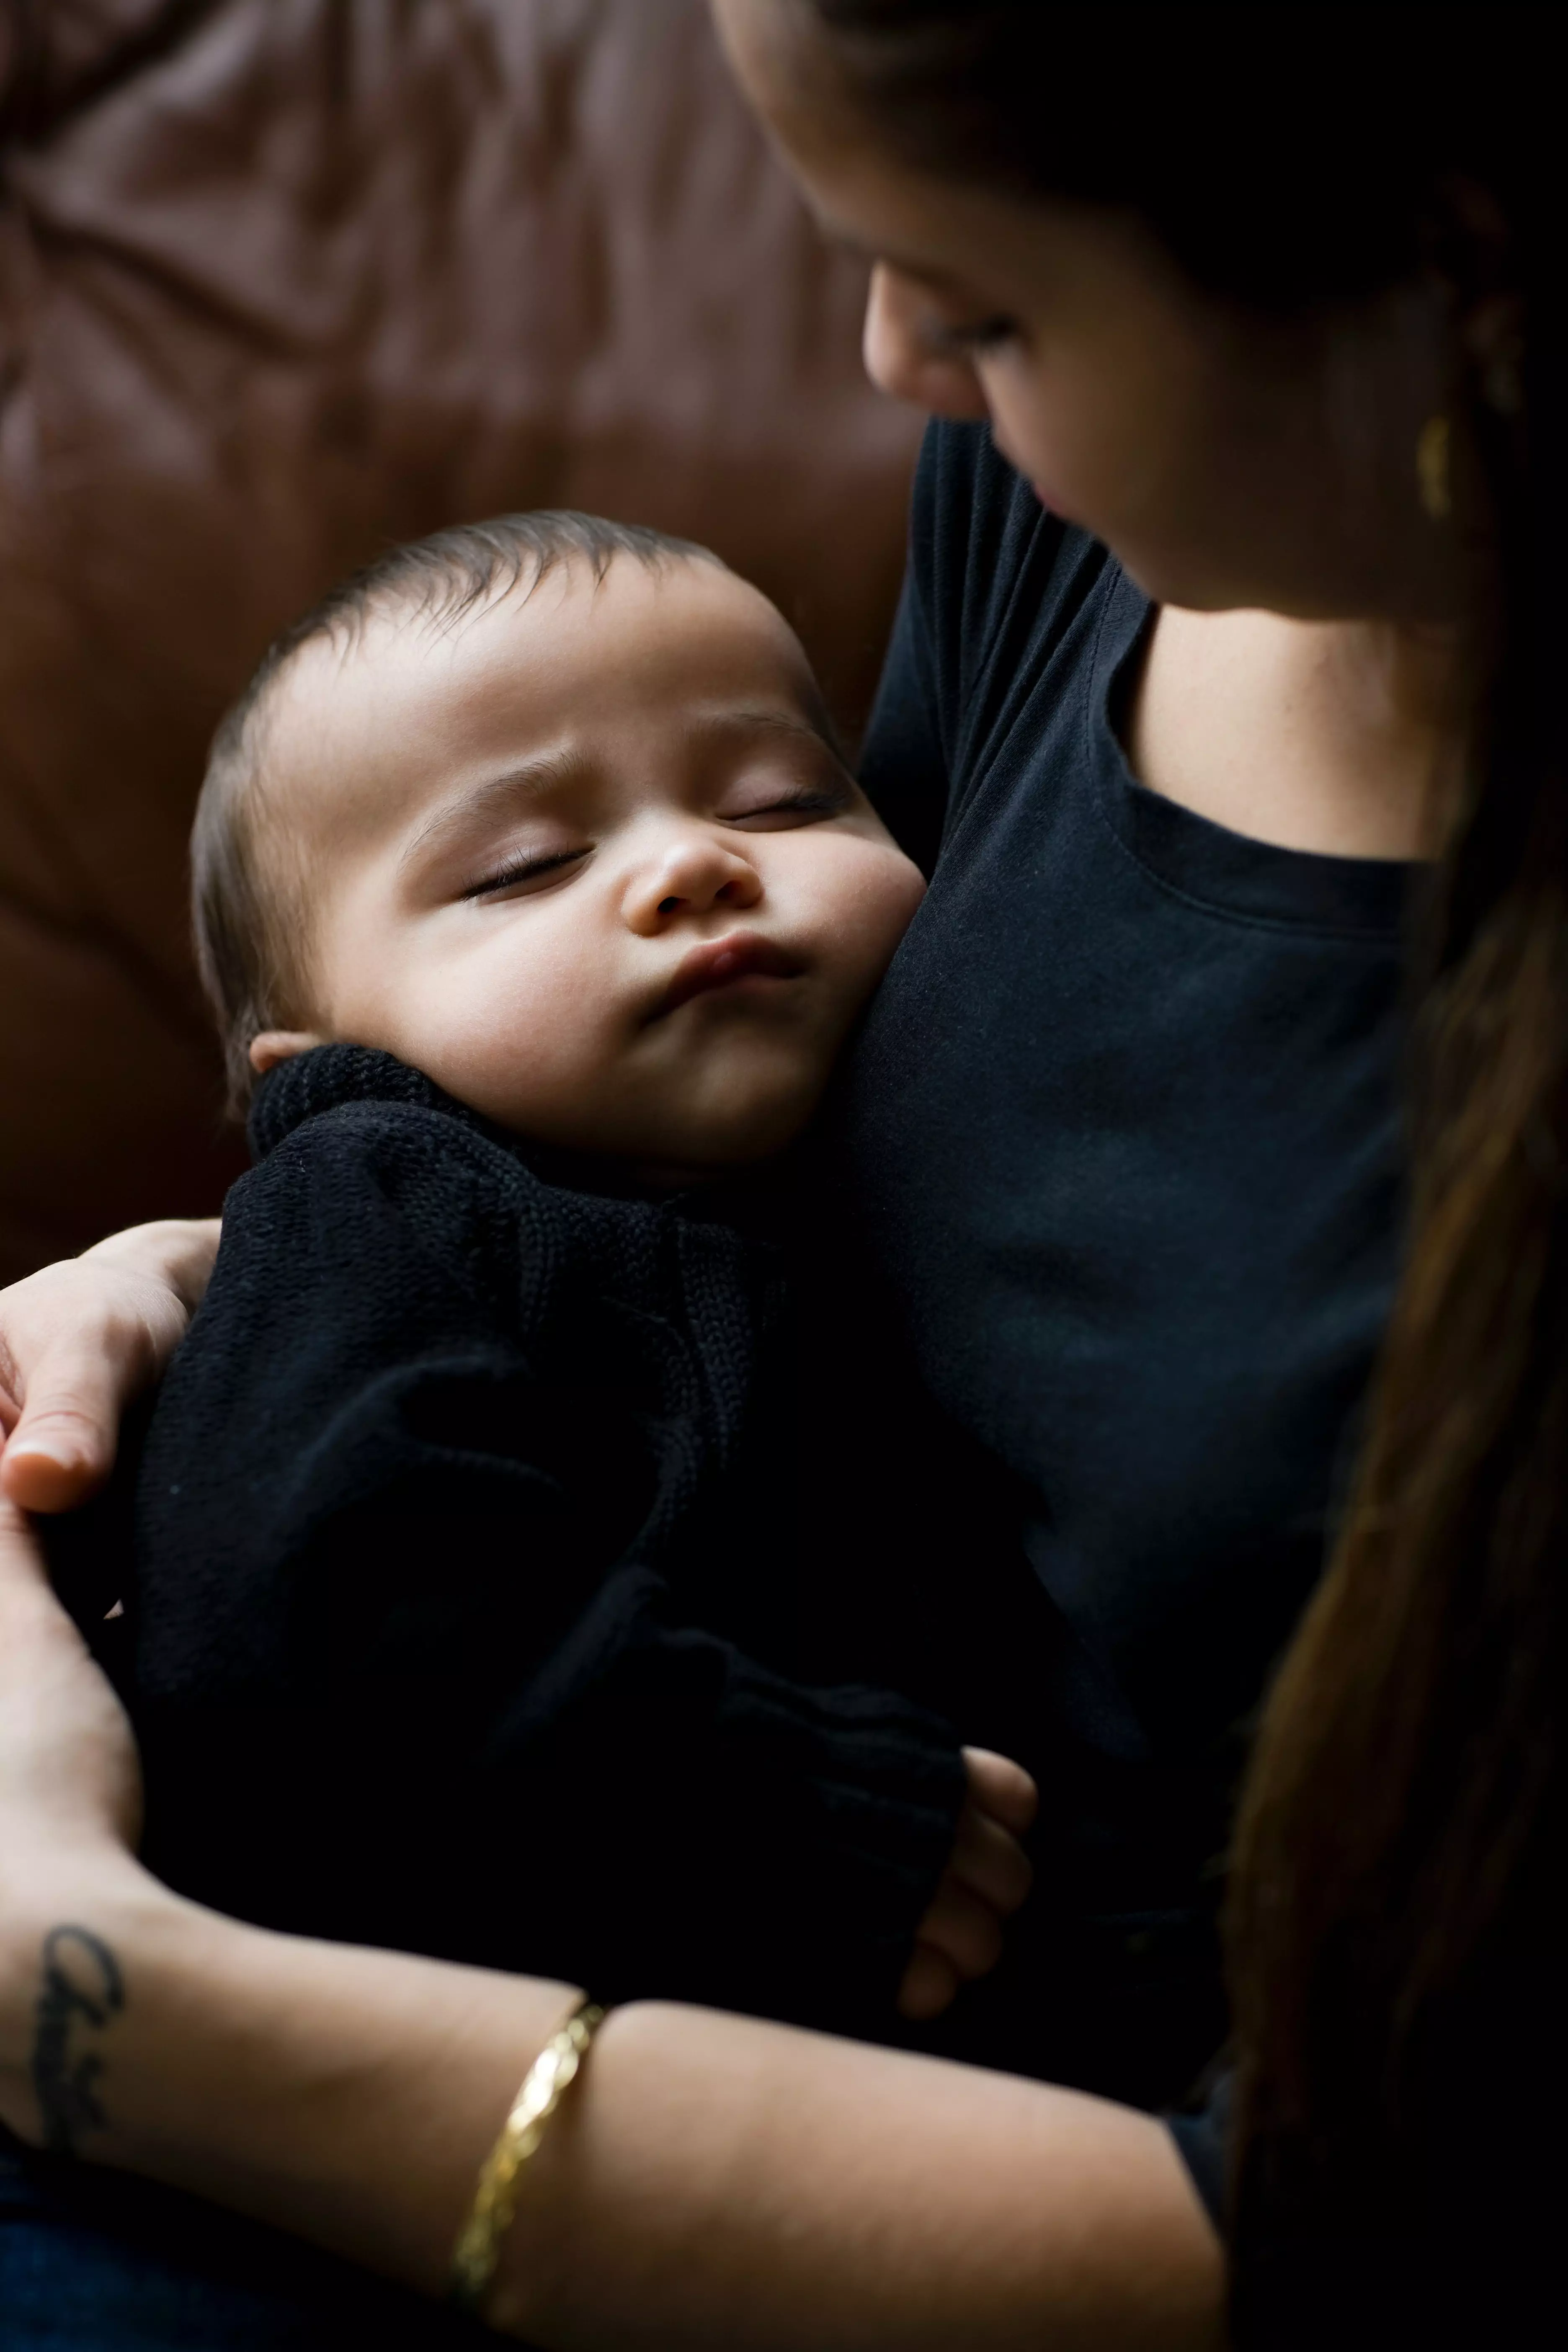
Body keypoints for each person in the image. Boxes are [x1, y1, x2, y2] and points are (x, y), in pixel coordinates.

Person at [0, 3, 1557, 2344]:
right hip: (458, 1988)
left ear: (1456, 268)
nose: (891, 356)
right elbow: (348, 1598)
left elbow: (1341, 2236)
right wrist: (204, 1276)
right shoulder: (1068, 515)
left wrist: (72, 1989)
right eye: (527, 863)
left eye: (772, 804)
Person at [62, 502, 1029, 2037]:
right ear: (332, 1061)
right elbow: (300, 1616)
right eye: (524, 867)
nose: (692, 865)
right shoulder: (393, 1192)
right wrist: (775, 1805)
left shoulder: (901, 1164)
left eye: (782, 802)